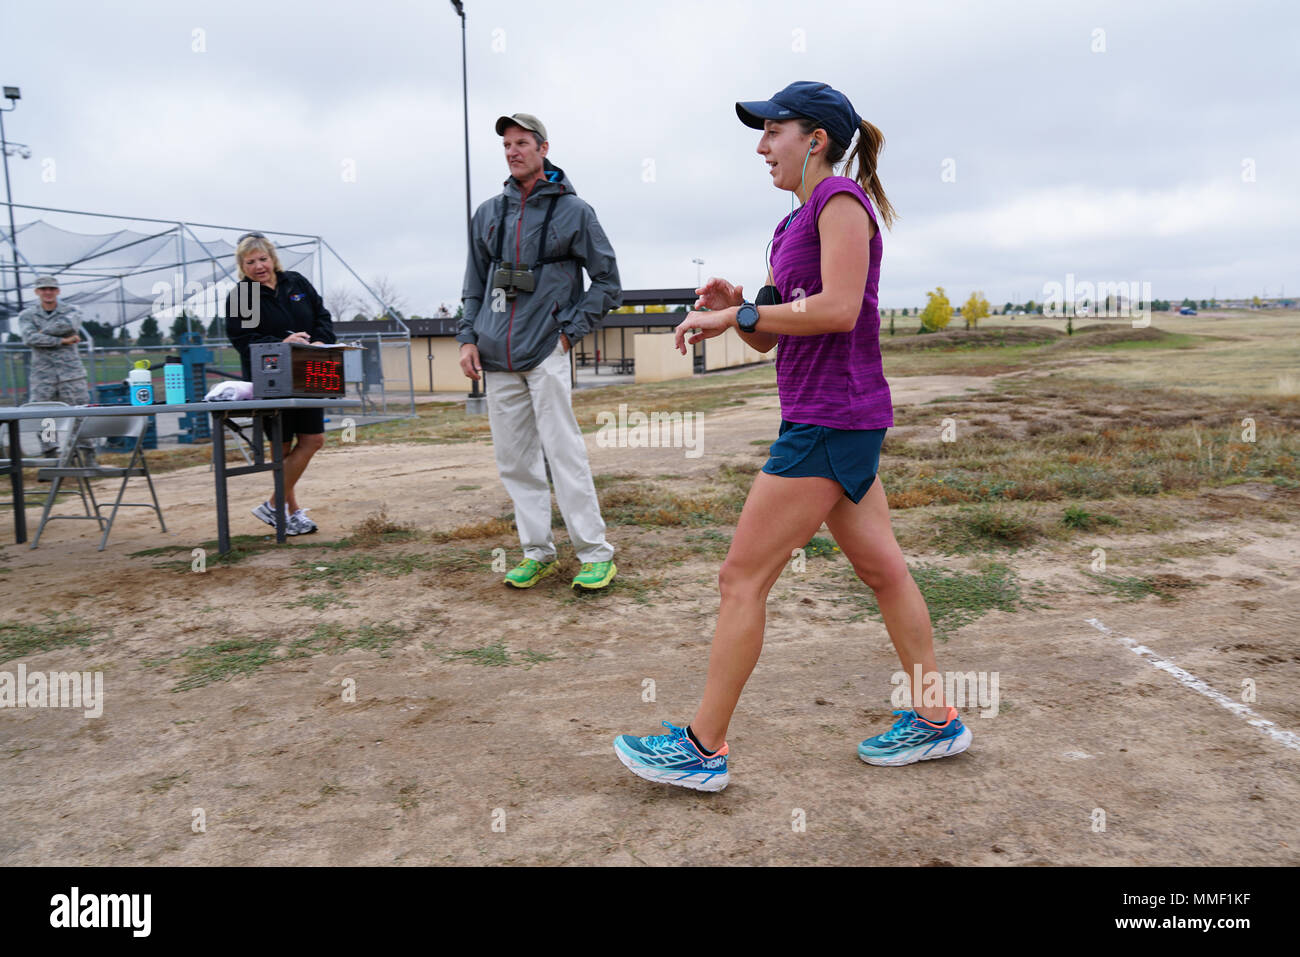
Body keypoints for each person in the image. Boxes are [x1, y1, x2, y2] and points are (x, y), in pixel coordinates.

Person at [614, 82, 971, 792]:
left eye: (772, 131)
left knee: (741, 577)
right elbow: (770, 337)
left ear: (815, 140)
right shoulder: (789, 227)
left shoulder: (841, 204)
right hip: (835, 415)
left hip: (830, 417)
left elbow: (839, 309)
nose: (760, 145)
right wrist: (738, 307)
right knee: (884, 570)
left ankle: (703, 748)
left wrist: (742, 316)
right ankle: (937, 718)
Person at [457, 112, 622, 591]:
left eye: (522, 142)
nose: (513, 151)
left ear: (543, 149)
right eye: (507, 144)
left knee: (563, 453)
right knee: (514, 461)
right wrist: (468, 335)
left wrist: (567, 332)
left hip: (545, 349)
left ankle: (594, 554)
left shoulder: (576, 212)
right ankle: (538, 553)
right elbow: (473, 283)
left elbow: (608, 284)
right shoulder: (488, 212)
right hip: (495, 354)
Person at [224, 232, 334, 535]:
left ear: (273, 258)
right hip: (270, 376)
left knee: (313, 440)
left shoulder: (296, 282)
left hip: (309, 369)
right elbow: (243, 339)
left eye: (263, 259)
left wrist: (320, 342)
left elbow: (323, 317)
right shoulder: (243, 296)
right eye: (251, 262)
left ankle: (274, 505)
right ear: (242, 266)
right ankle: (290, 512)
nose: (259, 266)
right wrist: (281, 342)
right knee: (282, 446)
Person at [18, 275, 95, 463]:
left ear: (58, 291)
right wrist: (63, 340)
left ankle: (87, 455)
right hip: (43, 376)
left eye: (51, 289)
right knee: (46, 418)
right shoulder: (26, 315)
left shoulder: (72, 310)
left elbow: (69, 325)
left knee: (79, 414)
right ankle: (51, 456)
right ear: (37, 292)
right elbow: (29, 339)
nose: (48, 292)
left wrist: (42, 332)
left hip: (71, 374)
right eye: (43, 289)